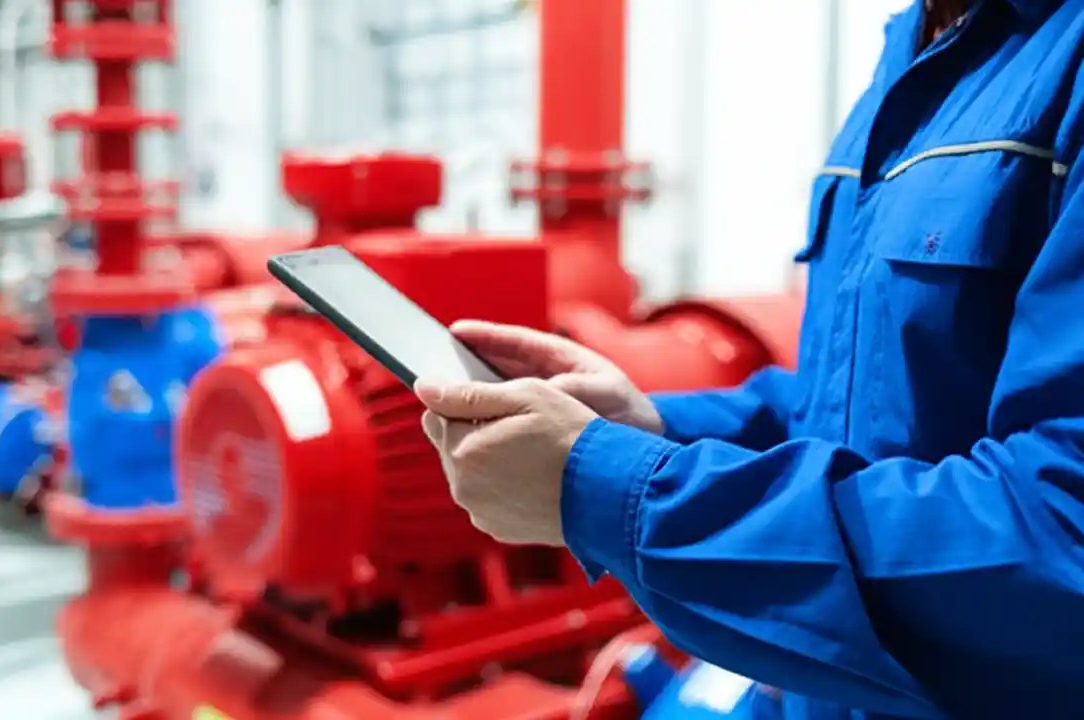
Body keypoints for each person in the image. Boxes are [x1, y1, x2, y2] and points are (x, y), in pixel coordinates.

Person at [416, 1, 1084, 718]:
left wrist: (618, 489)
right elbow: (854, 406)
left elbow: (1056, 533)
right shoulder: (918, 52)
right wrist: (646, 426)